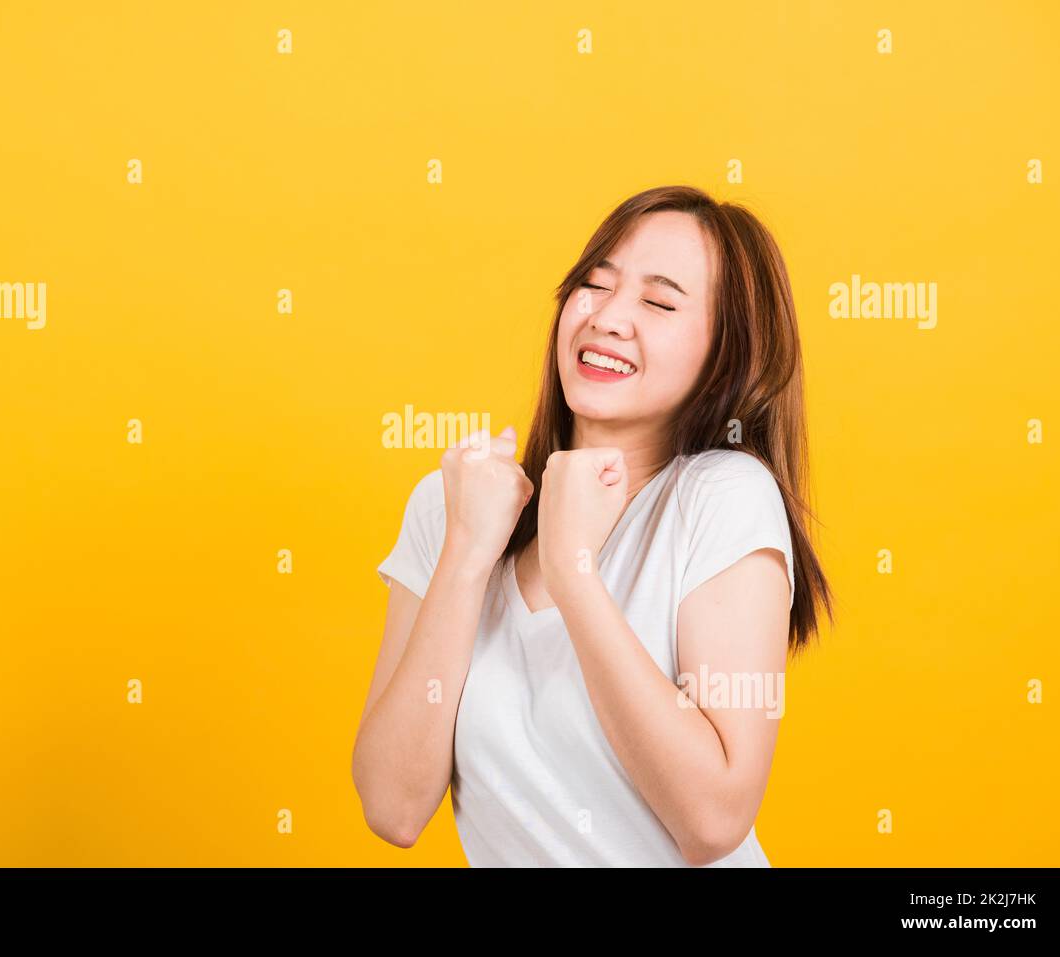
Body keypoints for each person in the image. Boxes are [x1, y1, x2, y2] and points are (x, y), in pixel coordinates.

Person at [352, 185, 834, 866]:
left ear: (725, 355)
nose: (608, 317)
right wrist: (466, 553)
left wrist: (573, 572)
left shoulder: (721, 499)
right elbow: (393, 806)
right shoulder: (451, 505)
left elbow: (714, 819)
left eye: (659, 302)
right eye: (594, 284)